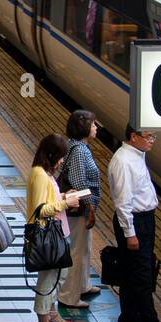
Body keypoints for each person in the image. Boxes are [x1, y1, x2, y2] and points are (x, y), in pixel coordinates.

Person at [108, 125, 161, 322]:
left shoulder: (136, 155)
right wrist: (131, 234)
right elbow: (122, 203)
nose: (152, 141)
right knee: (143, 276)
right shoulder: (124, 162)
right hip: (135, 222)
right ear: (133, 136)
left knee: (132, 273)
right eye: (148, 136)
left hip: (144, 220)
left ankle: (130, 319)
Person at [27, 133, 82, 322]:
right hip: (47, 236)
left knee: (60, 275)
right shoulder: (40, 174)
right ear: (51, 154)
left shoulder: (45, 173)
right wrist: (66, 204)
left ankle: (50, 311)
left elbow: (49, 199)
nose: (61, 161)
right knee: (48, 280)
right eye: (60, 157)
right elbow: (40, 209)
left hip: (58, 232)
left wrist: (65, 196)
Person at [57, 109, 102, 309]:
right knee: (76, 249)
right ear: (83, 127)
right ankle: (68, 295)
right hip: (78, 209)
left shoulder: (79, 147)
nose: (96, 128)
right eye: (93, 124)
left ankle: (83, 284)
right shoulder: (77, 150)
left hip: (81, 208)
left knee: (84, 247)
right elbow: (78, 181)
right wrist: (89, 207)